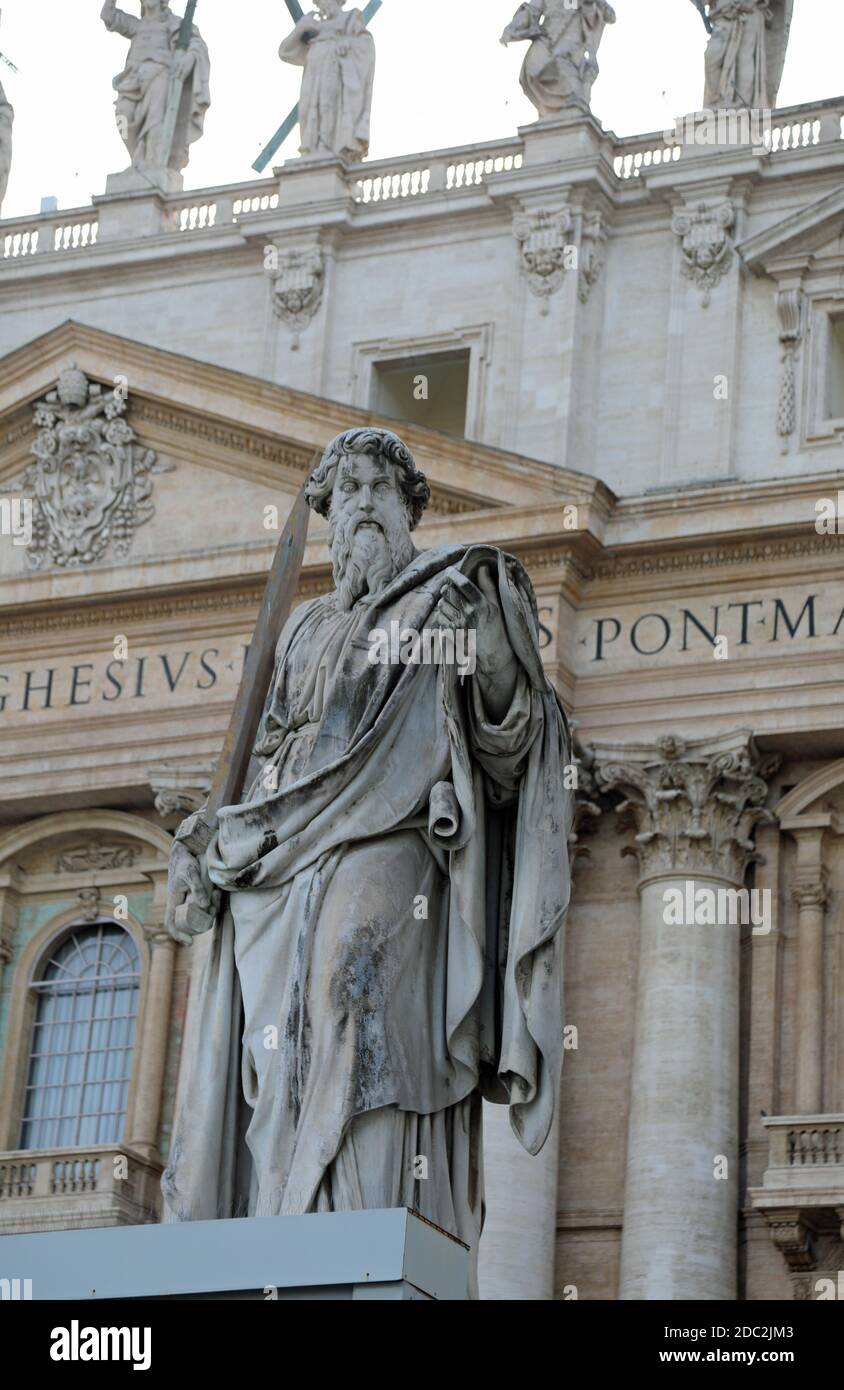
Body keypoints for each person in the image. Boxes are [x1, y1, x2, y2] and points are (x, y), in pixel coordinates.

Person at [162, 428, 572, 1297]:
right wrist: (217, 835)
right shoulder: (306, 626)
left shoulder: (448, 596)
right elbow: (262, 747)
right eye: (339, 493)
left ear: (407, 503)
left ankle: (357, 1207)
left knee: (355, 986)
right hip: (282, 857)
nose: (354, 506)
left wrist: (488, 652)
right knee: (279, 1048)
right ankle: (287, 1219)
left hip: (395, 834)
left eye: (372, 488)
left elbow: (512, 743)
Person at [101, 0, 210, 173]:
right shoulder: (136, 25)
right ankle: (136, 158)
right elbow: (108, 15)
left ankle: (152, 164)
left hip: (160, 75)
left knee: (155, 121)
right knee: (122, 117)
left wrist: (189, 58)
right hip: (131, 81)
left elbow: (196, 44)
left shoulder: (173, 22)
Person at [279, 0, 375, 161]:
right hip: (313, 71)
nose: (321, 5)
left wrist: (348, 44)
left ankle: (325, 148)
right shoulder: (311, 24)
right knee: (307, 109)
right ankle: (310, 148)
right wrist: (301, 28)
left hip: (334, 69)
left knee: (328, 105)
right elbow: (285, 52)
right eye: (319, 2)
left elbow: (365, 44)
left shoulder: (350, 19)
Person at [501, 0, 616, 116]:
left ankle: (571, 106)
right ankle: (553, 112)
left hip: (571, 43)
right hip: (546, 38)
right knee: (533, 71)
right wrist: (512, 29)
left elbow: (610, 16)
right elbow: (531, 11)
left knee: (568, 79)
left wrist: (591, 4)